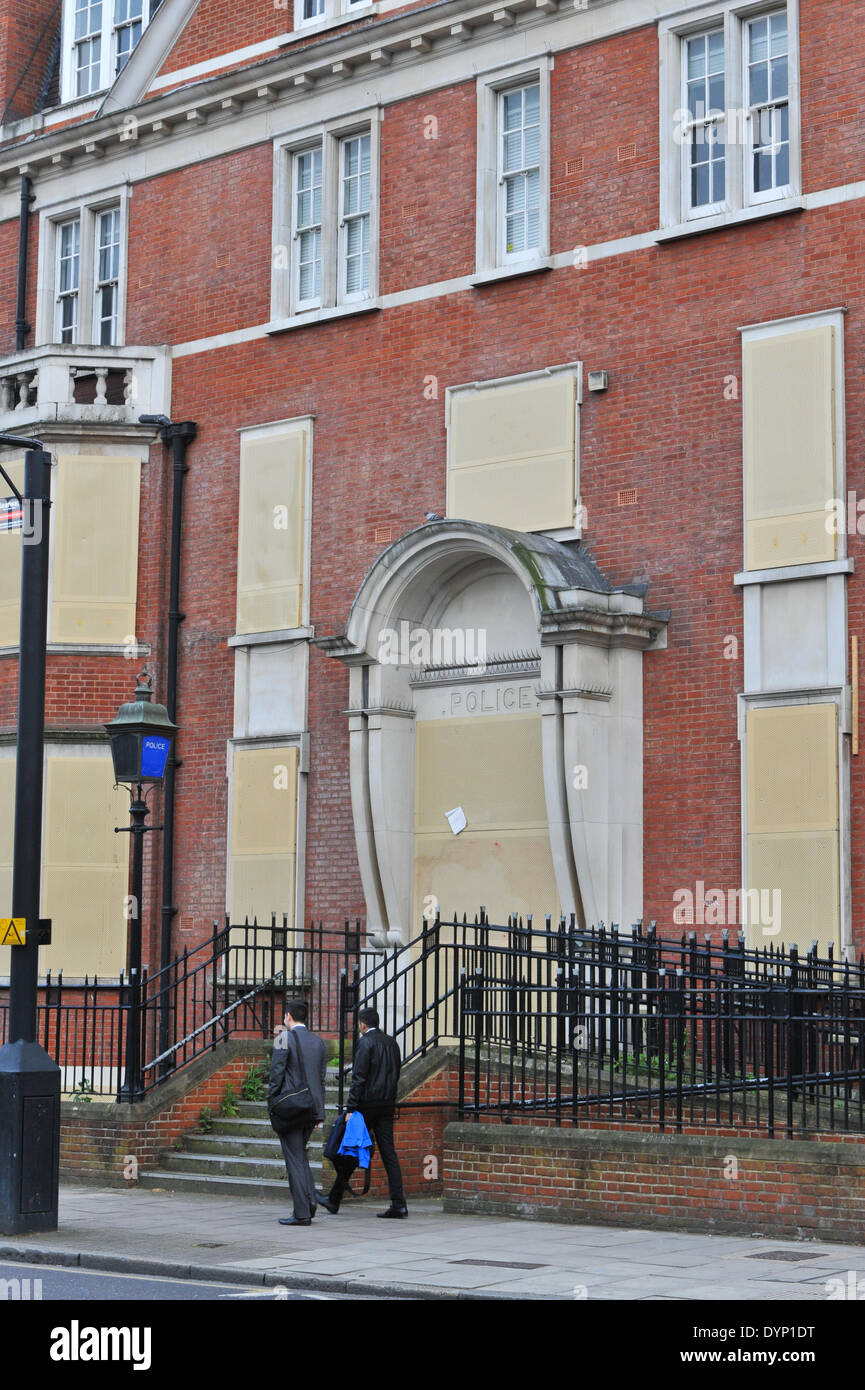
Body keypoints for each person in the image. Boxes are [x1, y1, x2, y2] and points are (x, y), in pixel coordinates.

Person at [318, 1007, 407, 1218]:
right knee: (389, 1153)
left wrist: (351, 1107)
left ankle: (334, 1199)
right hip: (387, 1104)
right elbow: (395, 1073)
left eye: (359, 1024)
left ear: (363, 1024)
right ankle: (399, 1203)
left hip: (366, 1106)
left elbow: (359, 1078)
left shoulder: (365, 1043)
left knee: (351, 1150)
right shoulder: (392, 1043)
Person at [268, 999, 327, 1228]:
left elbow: (276, 1073)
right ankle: (309, 1202)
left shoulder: (283, 1037)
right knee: (299, 1155)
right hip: (311, 1107)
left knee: (294, 1158)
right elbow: (320, 1079)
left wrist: (272, 1101)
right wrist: (320, 1113)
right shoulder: (319, 1042)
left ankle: (302, 1212)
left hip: (291, 1107)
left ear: (289, 1017)